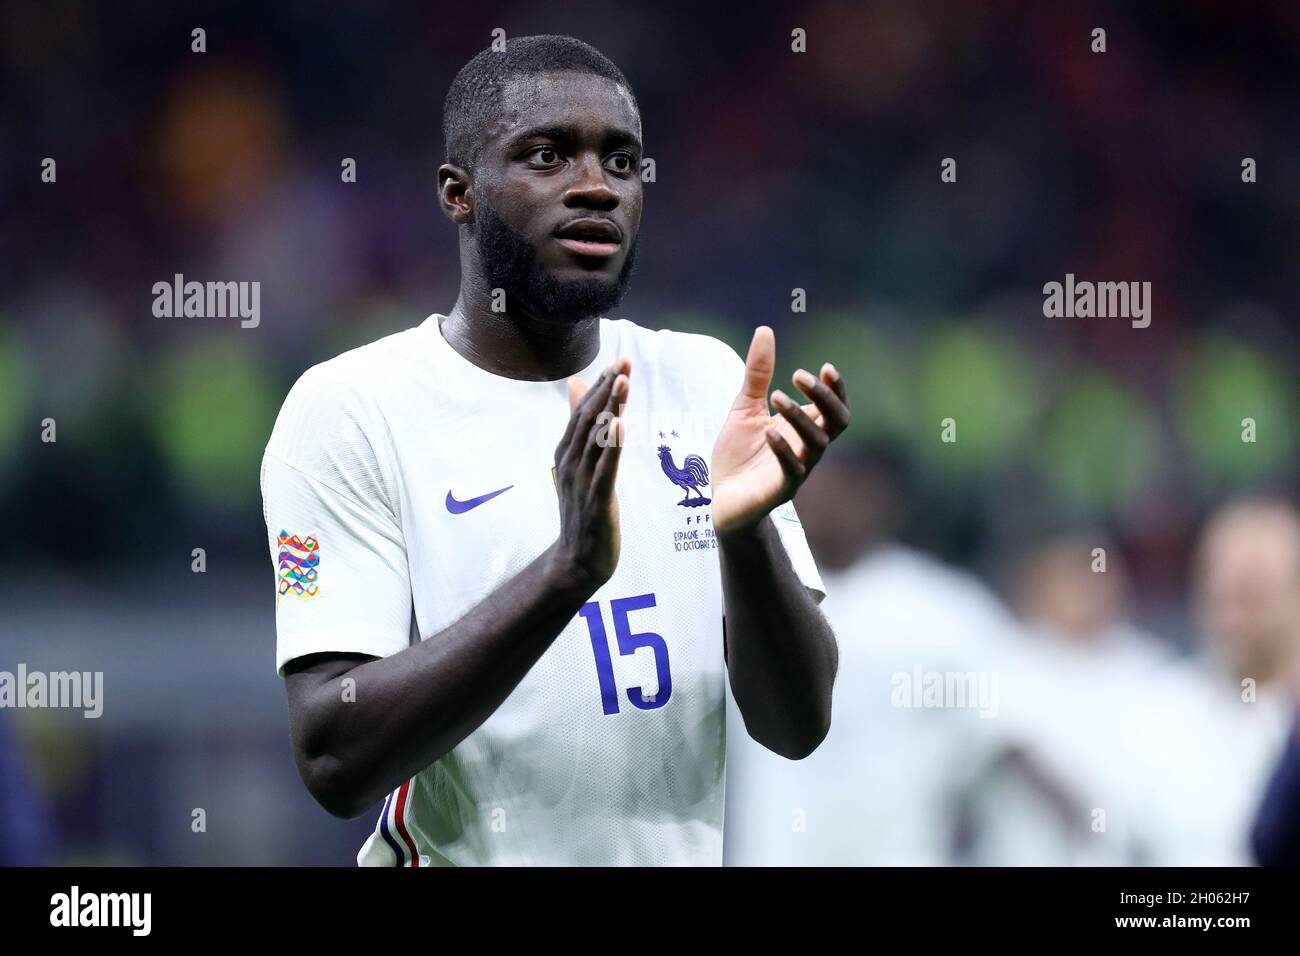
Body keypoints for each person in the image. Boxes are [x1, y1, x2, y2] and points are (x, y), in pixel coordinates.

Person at [260, 35, 848, 866]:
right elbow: (334, 758)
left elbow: (795, 729)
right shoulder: (353, 410)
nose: (595, 187)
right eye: (546, 155)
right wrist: (563, 573)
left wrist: (744, 537)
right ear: (458, 193)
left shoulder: (704, 383)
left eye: (621, 162)